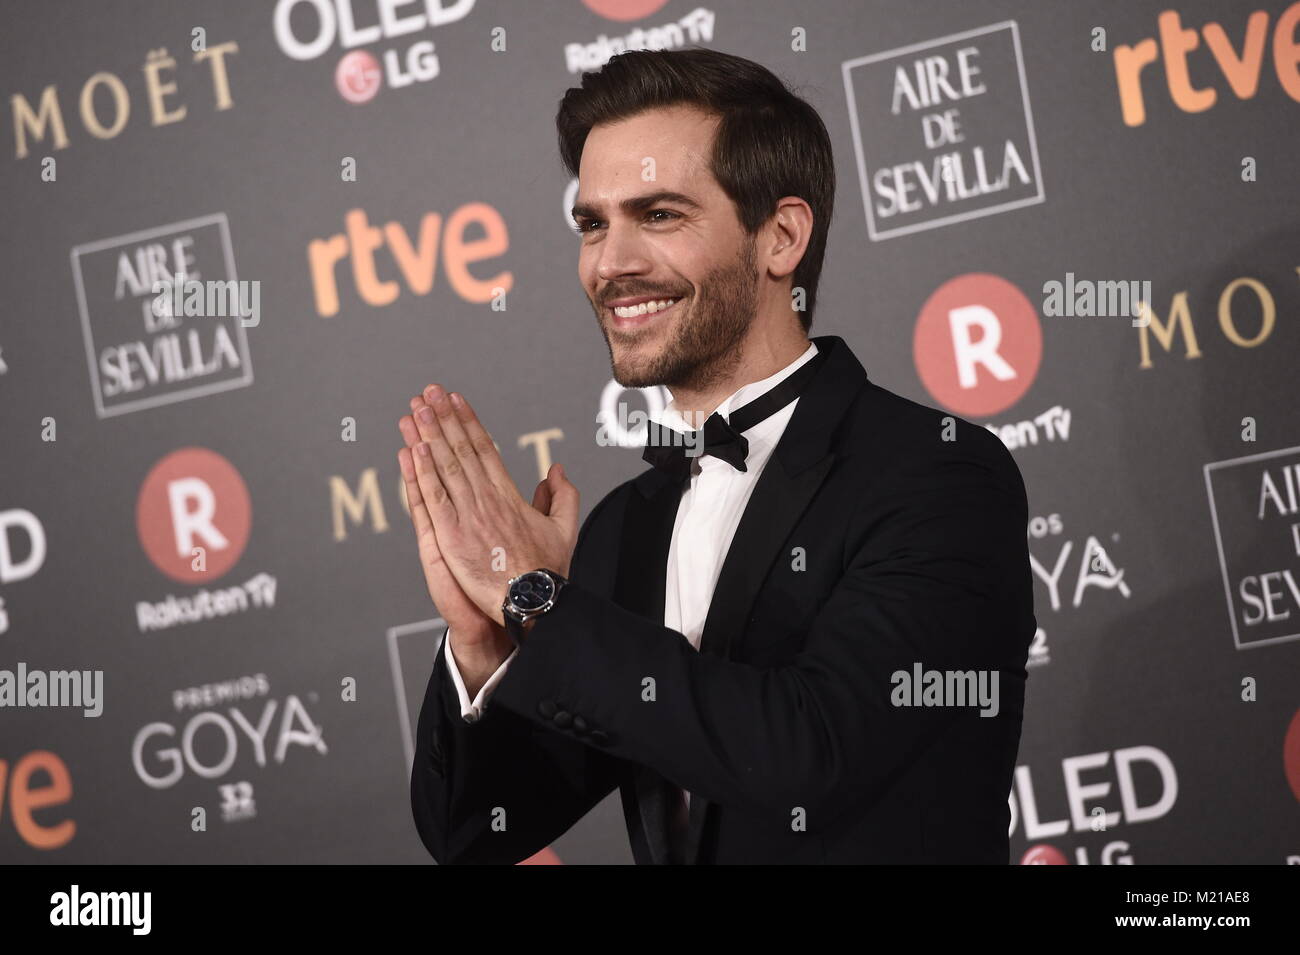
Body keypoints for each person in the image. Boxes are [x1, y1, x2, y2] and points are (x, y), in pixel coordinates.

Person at [397, 48, 1035, 864]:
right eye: (593, 224)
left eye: (658, 214)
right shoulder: (628, 525)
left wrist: (538, 602)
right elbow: (476, 829)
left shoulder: (938, 475)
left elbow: (809, 754)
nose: (610, 263)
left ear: (781, 236)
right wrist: (486, 642)